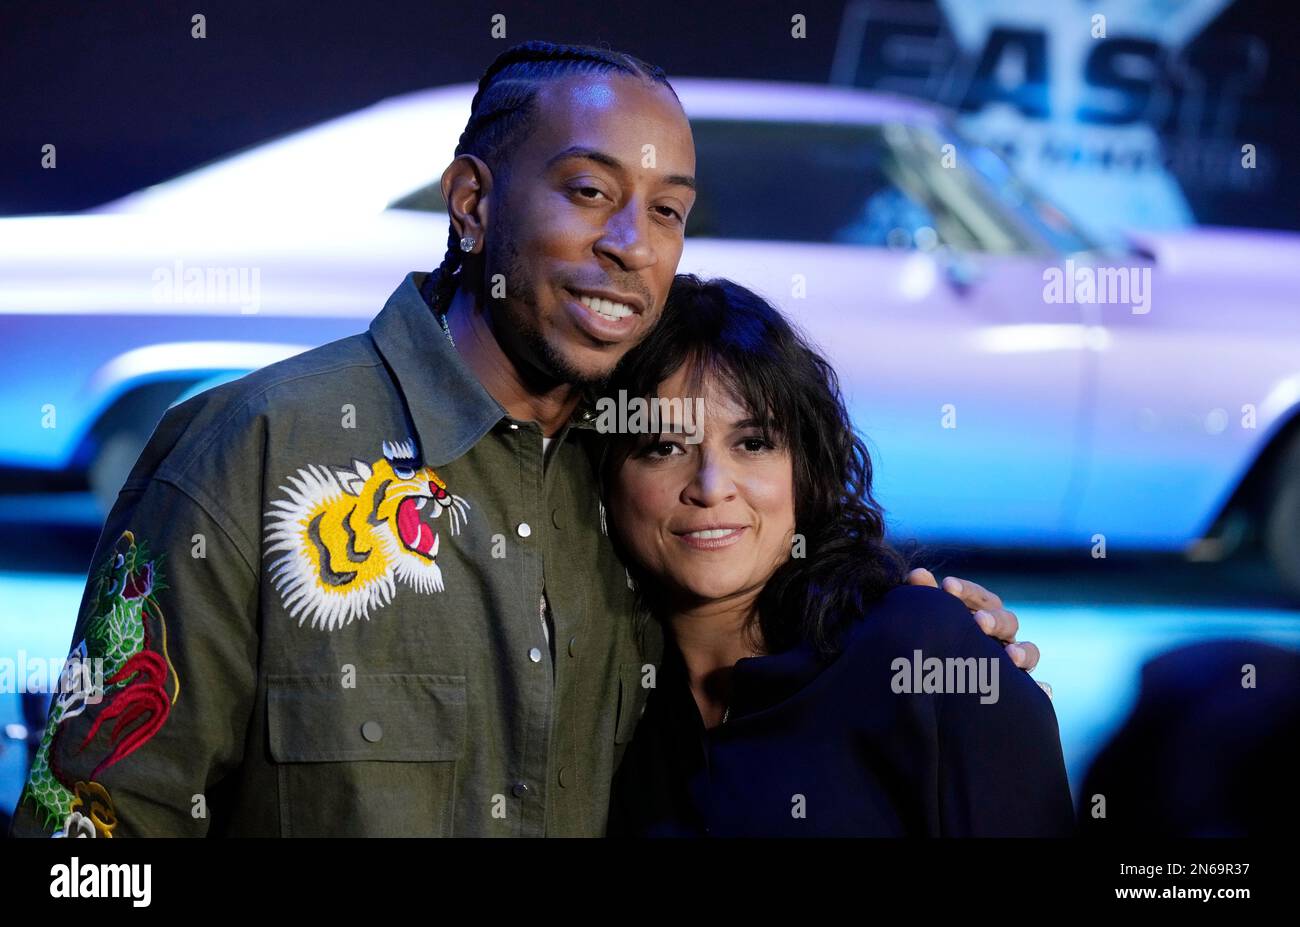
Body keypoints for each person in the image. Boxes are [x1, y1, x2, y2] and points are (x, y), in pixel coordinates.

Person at [10, 41, 1037, 838]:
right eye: (590, 192)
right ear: (472, 203)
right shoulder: (259, 448)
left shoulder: (632, 472)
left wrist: (930, 632)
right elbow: (91, 837)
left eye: (667, 210)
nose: (632, 244)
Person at [603, 275, 1073, 836]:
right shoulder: (596, 698)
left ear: (807, 469)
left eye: (753, 444)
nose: (711, 486)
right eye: (664, 448)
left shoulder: (921, 650)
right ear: (605, 475)